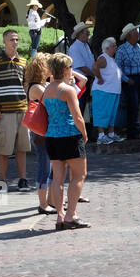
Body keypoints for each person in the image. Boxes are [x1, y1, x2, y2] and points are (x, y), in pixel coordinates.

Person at [42, 53, 90, 229]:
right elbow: (77, 116)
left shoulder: (46, 89)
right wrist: (84, 134)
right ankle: (71, 214)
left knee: (57, 179)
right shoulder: (68, 90)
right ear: (64, 69)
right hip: (70, 135)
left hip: (52, 136)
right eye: (70, 67)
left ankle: (60, 216)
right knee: (78, 175)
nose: (72, 70)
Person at [0, 29, 30, 191]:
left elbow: (26, 86)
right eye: (11, 39)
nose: (15, 42)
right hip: (4, 111)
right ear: (4, 41)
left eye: (17, 39)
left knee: (22, 147)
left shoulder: (24, 61)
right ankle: (2, 181)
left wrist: (28, 106)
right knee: (3, 148)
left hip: (21, 109)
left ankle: (23, 179)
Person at [24, 54, 57, 216]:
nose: (52, 68)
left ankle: (49, 201)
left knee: (49, 166)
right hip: (41, 133)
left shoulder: (42, 85)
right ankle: (43, 203)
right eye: (49, 65)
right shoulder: (36, 87)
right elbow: (51, 104)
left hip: (46, 131)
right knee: (44, 166)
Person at [91, 37, 124, 144]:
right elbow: (95, 66)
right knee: (102, 112)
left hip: (112, 91)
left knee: (112, 114)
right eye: (114, 46)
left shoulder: (110, 58)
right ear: (107, 48)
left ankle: (111, 134)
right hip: (103, 91)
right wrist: (99, 78)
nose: (116, 47)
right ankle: (101, 136)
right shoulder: (103, 57)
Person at [115, 23, 140, 138]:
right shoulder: (122, 50)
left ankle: (135, 129)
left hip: (139, 77)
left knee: (137, 104)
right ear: (129, 35)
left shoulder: (138, 47)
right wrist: (126, 79)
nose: (137, 35)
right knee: (132, 104)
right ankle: (133, 131)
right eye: (135, 33)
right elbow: (117, 68)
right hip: (130, 79)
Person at [68, 23, 96, 117]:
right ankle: (78, 128)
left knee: (83, 104)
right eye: (87, 32)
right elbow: (81, 66)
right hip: (79, 80)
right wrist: (94, 75)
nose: (89, 34)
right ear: (80, 34)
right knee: (80, 104)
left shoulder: (85, 45)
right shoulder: (75, 47)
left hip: (85, 78)